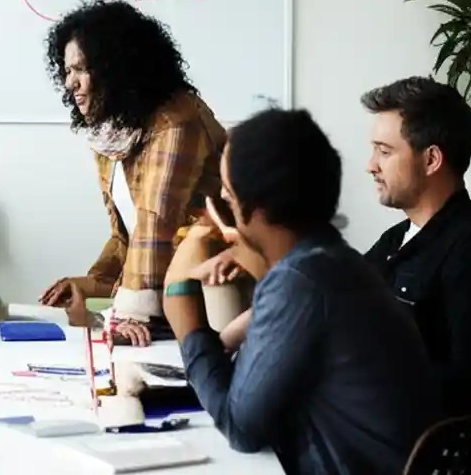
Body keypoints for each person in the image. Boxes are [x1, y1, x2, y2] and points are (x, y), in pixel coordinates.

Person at [163, 108, 437, 475]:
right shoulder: (332, 262)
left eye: (228, 195)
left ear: (257, 208)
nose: (225, 205)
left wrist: (190, 329)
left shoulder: (301, 281)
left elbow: (242, 428)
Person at [38, 0, 236, 346]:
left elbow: (156, 224)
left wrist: (131, 312)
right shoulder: (113, 132)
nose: (70, 83)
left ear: (115, 68)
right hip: (164, 296)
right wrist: (88, 284)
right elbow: (126, 239)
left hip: (208, 300)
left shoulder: (176, 121)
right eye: (67, 71)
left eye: (81, 69)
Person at [362, 76, 471, 416]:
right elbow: (332, 292)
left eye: (384, 151)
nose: (371, 165)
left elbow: (470, 388)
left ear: (431, 160)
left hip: (414, 441)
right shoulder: (396, 239)